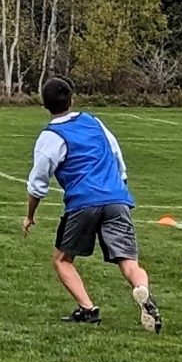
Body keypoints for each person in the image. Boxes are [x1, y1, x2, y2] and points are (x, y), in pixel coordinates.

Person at [22, 78, 161, 332]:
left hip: (83, 202)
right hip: (117, 198)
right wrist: (120, 186)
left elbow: (38, 183)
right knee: (129, 261)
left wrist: (30, 215)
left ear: (44, 104)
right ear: (72, 99)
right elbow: (116, 155)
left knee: (62, 259)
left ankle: (87, 309)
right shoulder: (94, 122)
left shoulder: (51, 136)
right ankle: (142, 290)